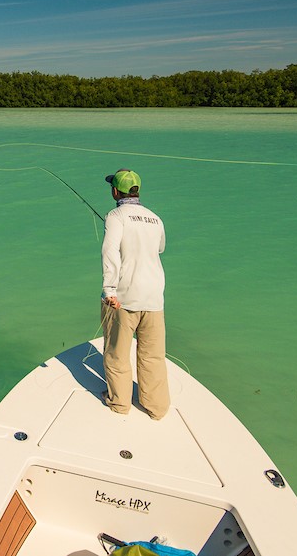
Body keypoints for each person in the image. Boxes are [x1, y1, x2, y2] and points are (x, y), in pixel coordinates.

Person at [100, 168, 170, 420]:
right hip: (154, 295)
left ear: (115, 191)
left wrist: (109, 289)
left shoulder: (115, 216)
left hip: (124, 296)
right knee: (153, 356)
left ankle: (120, 403)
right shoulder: (155, 218)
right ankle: (156, 408)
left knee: (117, 354)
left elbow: (110, 252)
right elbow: (160, 248)